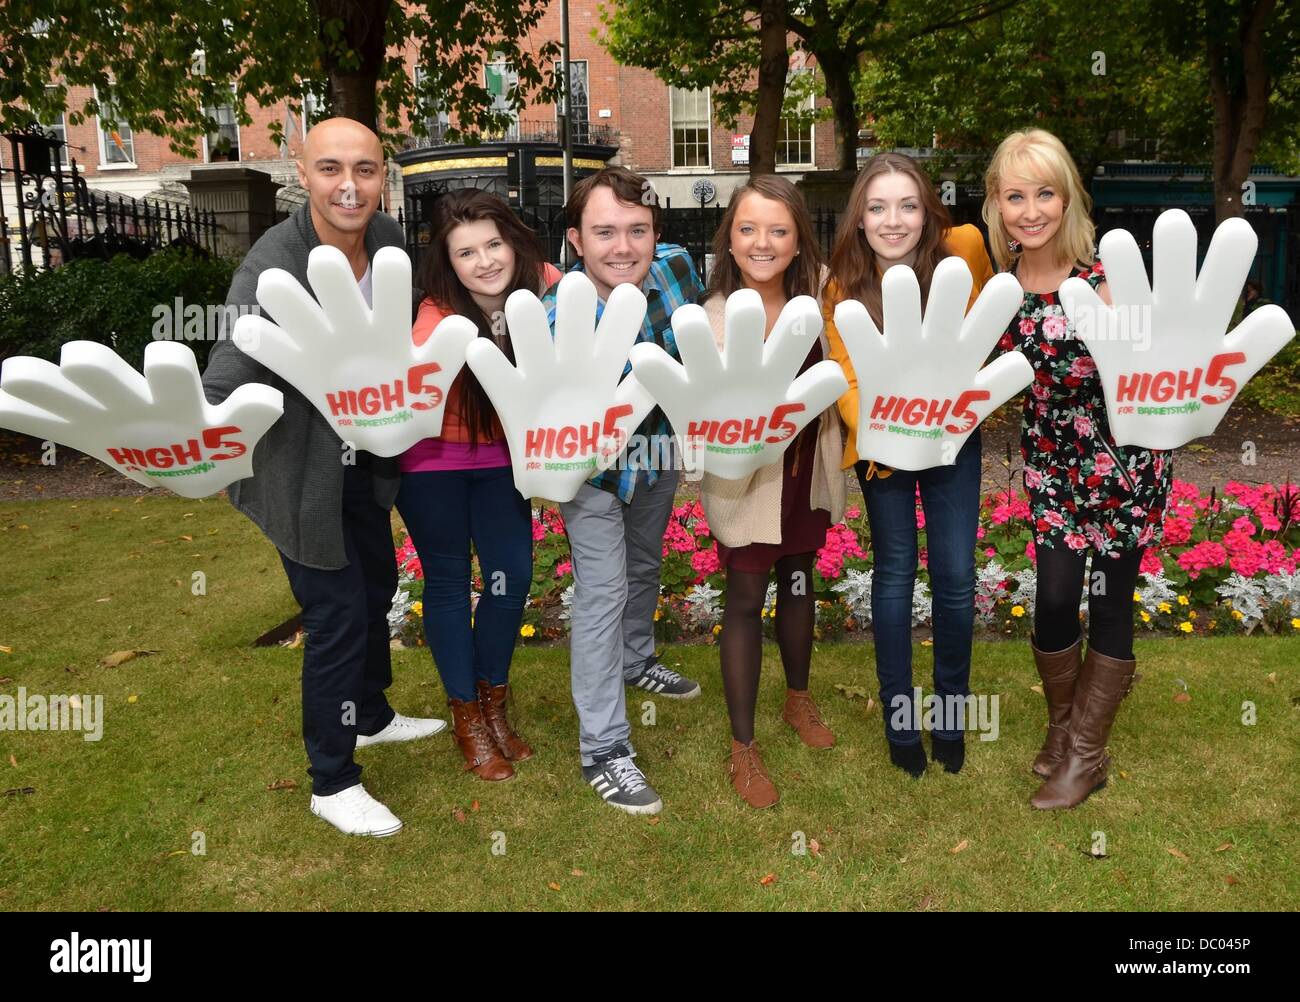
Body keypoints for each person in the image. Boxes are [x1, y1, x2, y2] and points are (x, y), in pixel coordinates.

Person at [203, 119, 445, 838]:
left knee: (376, 588)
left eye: (366, 169)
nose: (350, 185)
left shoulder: (392, 242)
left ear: (383, 176)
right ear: (300, 173)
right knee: (337, 613)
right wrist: (206, 436)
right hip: (295, 466)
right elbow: (232, 365)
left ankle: (368, 715)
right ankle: (332, 780)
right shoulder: (274, 261)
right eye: (332, 168)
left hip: (365, 461)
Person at [985, 128, 1171, 810]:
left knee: (1108, 599)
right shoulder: (1004, 289)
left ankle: (1086, 758)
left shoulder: (1105, 278)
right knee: (1056, 594)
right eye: (1015, 196)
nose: (1030, 210)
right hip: (1052, 464)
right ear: (997, 204)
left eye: (1045, 193)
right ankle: (1064, 728)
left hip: (1124, 461)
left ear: (1068, 199)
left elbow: (1154, 368)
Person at [823, 152, 996, 778]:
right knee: (894, 573)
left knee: (955, 575)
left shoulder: (963, 252)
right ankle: (902, 723)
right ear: (859, 220)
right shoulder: (841, 283)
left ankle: (952, 716)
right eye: (877, 208)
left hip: (953, 441)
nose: (892, 221)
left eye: (906, 205)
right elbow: (845, 373)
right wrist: (883, 434)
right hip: (885, 447)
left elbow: (986, 331)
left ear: (928, 212)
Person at [543, 166, 703, 815]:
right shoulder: (559, 315)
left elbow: (694, 343)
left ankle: (637, 658)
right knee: (603, 589)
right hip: (593, 471)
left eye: (637, 230)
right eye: (604, 232)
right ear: (577, 240)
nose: (623, 247)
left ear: (656, 233)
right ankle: (604, 749)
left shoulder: (674, 269)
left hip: (657, 452)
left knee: (644, 565)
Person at [398, 189, 561, 781]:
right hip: (433, 459)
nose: (485, 261)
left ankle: (494, 703)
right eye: (467, 253)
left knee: (510, 575)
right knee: (447, 579)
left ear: (512, 243)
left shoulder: (543, 285)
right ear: (450, 262)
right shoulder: (437, 315)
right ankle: (468, 718)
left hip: (500, 458)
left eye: (493, 244)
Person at [698, 176, 845, 809]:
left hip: (806, 472)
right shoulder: (713, 317)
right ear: (730, 240)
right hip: (748, 482)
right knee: (745, 597)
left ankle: (798, 698)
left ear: (798, 240)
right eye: (749, 229)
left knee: (800, 581)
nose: (763, 242)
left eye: (778, 230)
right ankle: (742, 745)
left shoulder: (821, 302)